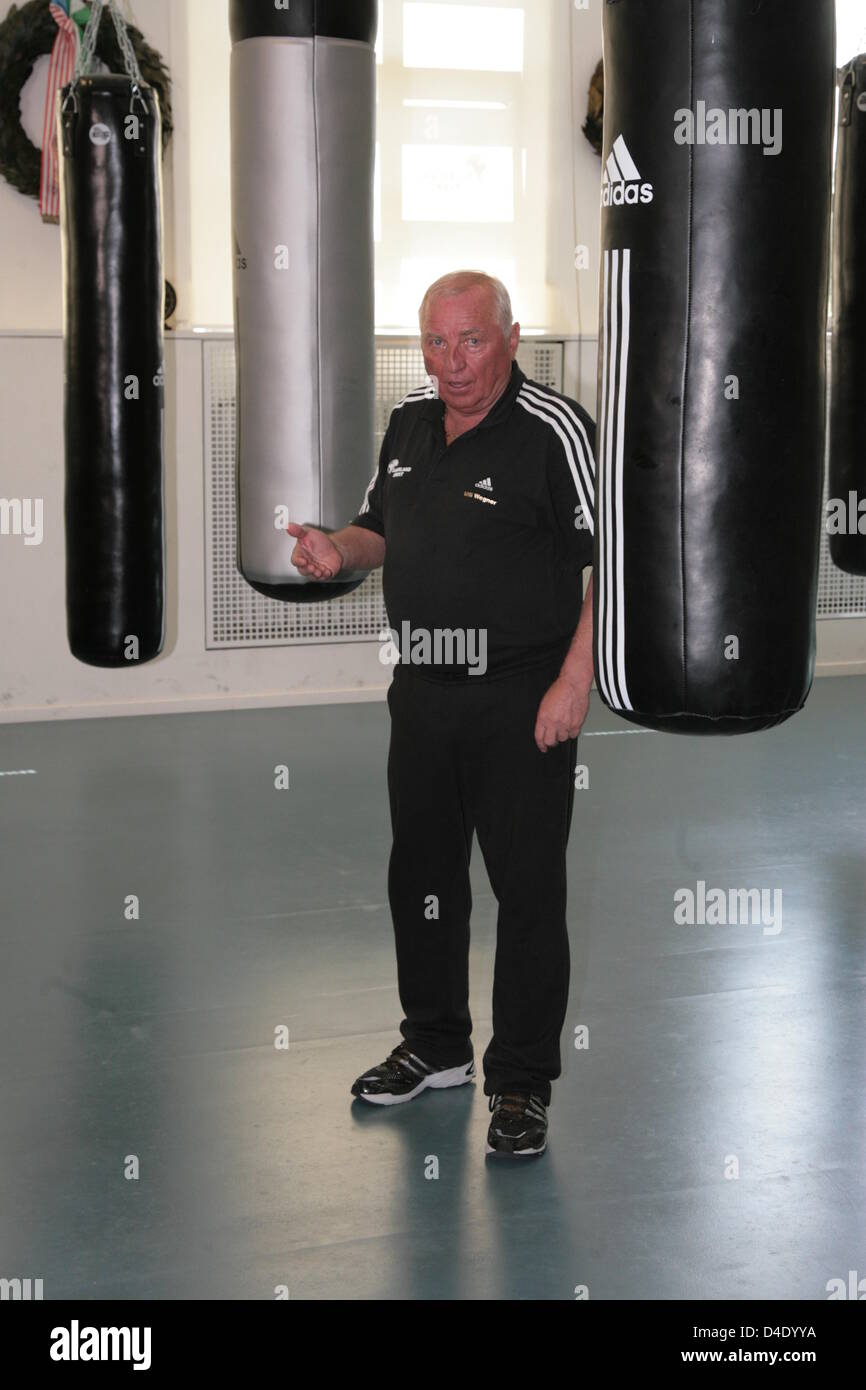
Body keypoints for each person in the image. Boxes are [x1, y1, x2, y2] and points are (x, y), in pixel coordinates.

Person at [287, 271, 596, 1158]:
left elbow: (609, 561)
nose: (452, 363)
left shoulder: (553, 430)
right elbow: (379, 527)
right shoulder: (409, 423)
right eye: (434, 342)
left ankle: (523, 1082)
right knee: (421, 880)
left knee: (527, 890)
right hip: (422, 692)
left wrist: (576, 682)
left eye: (471, 341)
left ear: (511, 337)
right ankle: (435, 1046)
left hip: (521, 698)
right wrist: (333, 548)